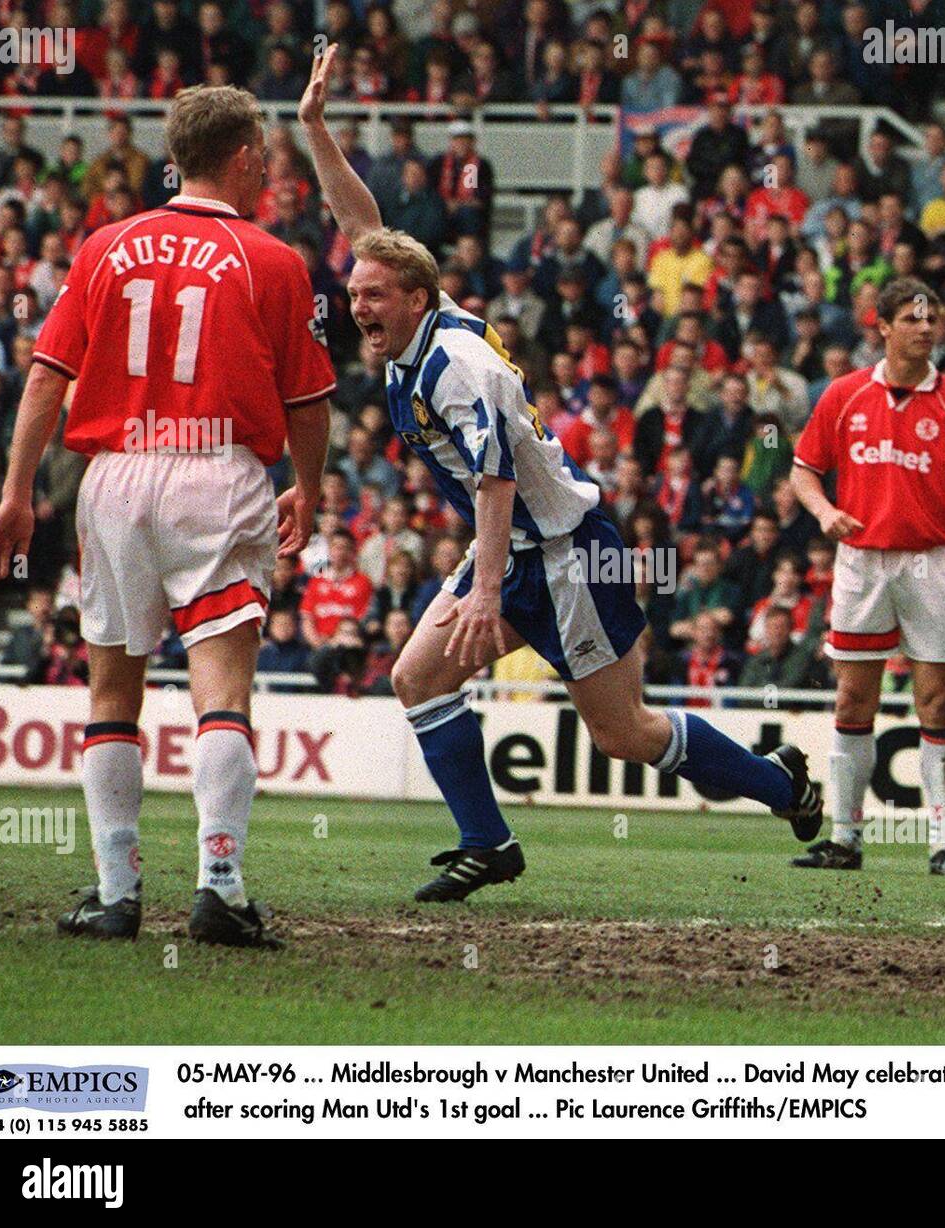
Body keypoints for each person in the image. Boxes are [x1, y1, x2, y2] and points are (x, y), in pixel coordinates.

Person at [297, 49, 821, 901]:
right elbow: (366, 229)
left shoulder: (455, 365)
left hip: (567, 552)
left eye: (374, 297)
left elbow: (496, 481)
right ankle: (488, 844)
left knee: (623, 732)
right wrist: (317, 131)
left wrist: (488, 592)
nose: (359, 306)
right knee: (416, 677)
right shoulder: (423, 318)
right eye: (355, 295)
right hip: (517, 549)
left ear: (417, 299)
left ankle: (780, 782)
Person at [0, 85, 335, 947]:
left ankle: (115, 893)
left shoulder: (105, 246)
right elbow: (310, 399)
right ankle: (219, 883)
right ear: (245, 157)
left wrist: (18, 492)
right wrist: (311, 487)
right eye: (264, 154)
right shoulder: (274, 261)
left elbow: (44, 377)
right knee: (221, 694)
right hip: (216, 475)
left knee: (111, 692)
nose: (268, 168)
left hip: (114, 474)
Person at [789, 277, 945, 877]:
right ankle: (845, 838)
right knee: (854, 695)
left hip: (931, 562)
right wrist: (825, 511)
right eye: (913, 318)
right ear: (881, 325)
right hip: (860, 560)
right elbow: (803, 471)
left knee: (936, 702)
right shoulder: (844, 395)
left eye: (932, 318)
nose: (925, 328)